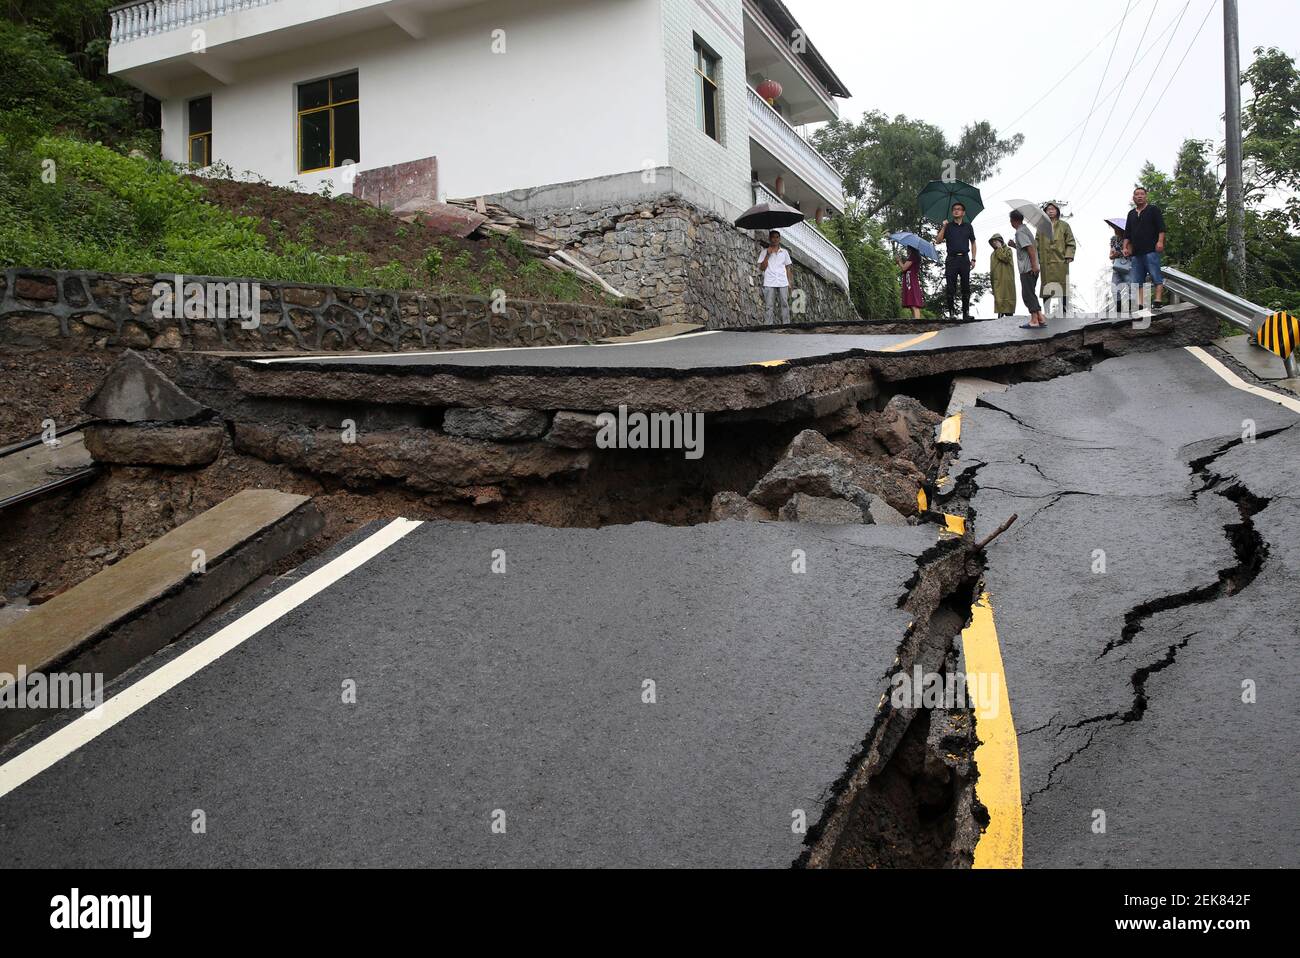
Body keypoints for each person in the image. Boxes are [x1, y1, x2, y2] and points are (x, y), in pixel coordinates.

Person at [1123, 187, 1167, 310]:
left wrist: (1160, 242)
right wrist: (1125, 247)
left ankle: (1158, 300)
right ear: (1133, 198)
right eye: (1137, 194)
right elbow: (1127, 233)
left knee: (1155, 275)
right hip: (1136, 252)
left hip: (1151, 249)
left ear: (1146, 196)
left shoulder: (1153, 210)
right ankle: (1140, 304)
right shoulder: (1131, 214)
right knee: (1137, 279)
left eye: (1142, 194)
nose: (1140, 196)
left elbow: (1161, 228)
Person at [935, 202, 976, 320]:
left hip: (964, 258)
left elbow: (973, 242)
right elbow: (938, 240)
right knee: (950, 287)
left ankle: (966, 313)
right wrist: (943, 226)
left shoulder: (968, 226)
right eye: (954, 209)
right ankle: (951, 313)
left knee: (965, 286)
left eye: (959, 209)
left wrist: (973, 259)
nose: (956, 211)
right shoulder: (948, 226)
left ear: (963, 212)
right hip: (951, 259)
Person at [1007, 210, 1046, 329]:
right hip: (1031, 267)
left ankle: (1034, 320)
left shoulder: (1020, 232)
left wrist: (1034, 266)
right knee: (1031, 294)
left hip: (1028, 269)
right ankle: (1040, 318)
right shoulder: (1026, 230)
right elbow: (1025, 248)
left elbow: (1030, 249)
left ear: (1013, 221)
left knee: (1027, 295)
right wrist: (1014, 245)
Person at [1037, 202, 1076, 316]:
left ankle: (1064, 312)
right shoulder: (1041, 227)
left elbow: (1071, 242)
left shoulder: (1064, 225)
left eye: (1053, 209)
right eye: (1048, 209)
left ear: (1057, 211)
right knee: (1046, 287)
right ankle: (1047, 312)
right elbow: (1037, 243)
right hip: (1046, 262)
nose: (1050, 211)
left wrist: (1069, 255)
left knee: (1062, 286)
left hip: (1060, 261)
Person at [758, 230, 793, 323]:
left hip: (782, 281)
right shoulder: (764, 252)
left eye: (777, 237)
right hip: (769, 281)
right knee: (769, 305)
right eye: (773, 237)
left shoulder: (784, 252)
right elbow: (762, 268)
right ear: (770, 239)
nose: (775, 239)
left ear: (779, 239)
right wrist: (768, 255)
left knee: (785, 304)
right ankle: (768, 326)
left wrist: (789, 282)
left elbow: (788, 268)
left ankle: (786, 324)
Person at [988, 234, 1016, 318]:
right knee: (999, 301)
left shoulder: (1008, 250)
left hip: (1007, 280)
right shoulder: (992, 254)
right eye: (992, 242)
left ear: (1000, 241)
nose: (994, 243)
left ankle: (1009, 317)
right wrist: (992, 283)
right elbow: (992, 270)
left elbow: (1006, 259)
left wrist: (1000, 248)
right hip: (997, 281)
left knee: (1008, 300)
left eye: (996, 241)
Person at [1108, 220, 1132, 314]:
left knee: (1130, 286)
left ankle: (1131, 308)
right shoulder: (1113, 239)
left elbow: (1130, 252)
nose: (1115, 230)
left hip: (1128, 266)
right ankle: (1118, 309)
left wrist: (1120, 252)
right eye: (1114, 227)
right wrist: (1113, 255)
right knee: (1114, 287)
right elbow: (1110, 255)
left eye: (1116, 228)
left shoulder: (1129, 238)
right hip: (1117, 267)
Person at [897, 246, 925, 319]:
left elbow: (904, 268)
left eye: (908, 248)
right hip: (909, 279)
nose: (907, 250)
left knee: (913, 301)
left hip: (911, 280)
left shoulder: (913, 256)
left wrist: (899, 261)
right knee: (911, 302)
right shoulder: (914, 256)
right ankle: (915, 319)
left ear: (911, 249)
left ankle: (917, 320)